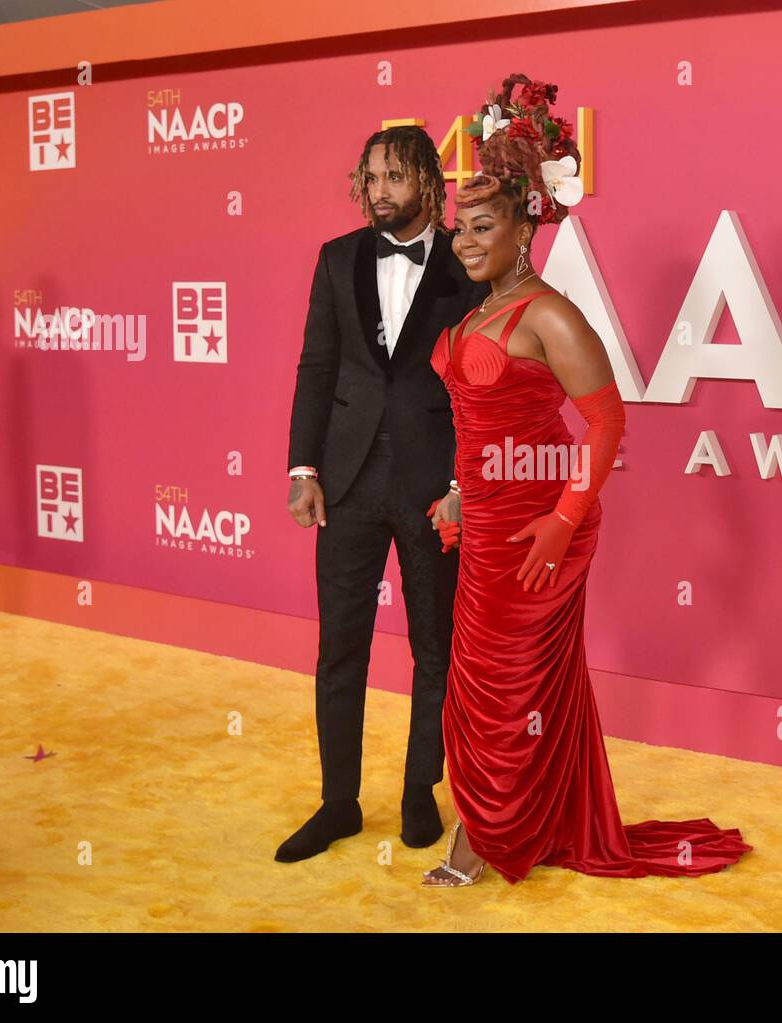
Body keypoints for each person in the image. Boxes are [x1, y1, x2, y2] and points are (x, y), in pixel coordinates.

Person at [422, 74, 754, 886]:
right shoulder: (473, 316)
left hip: (541, 531)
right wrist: (464, 493)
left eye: (484, 226)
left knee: (504, 687)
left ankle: (485, 835)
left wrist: (565, 521)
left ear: (525, 228)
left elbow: (607, 424)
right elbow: (487, 426)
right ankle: (543, 816)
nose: (465, 241)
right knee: (486, 684)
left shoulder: (550, 314)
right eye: (459, 228)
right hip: (491, 524)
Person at [278, 125, 490, 863]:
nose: (379, 193)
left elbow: (482, 385)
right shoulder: (337, 259)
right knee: (341, 649)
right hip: (347, 484)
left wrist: (466, 482)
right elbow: (316, 365)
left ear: (429, 183)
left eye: (394, 178)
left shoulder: (470, 263)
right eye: (371, 179)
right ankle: (339, 802)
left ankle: (416, 792)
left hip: (434, 487)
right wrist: (303, 469)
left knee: (436, 649)